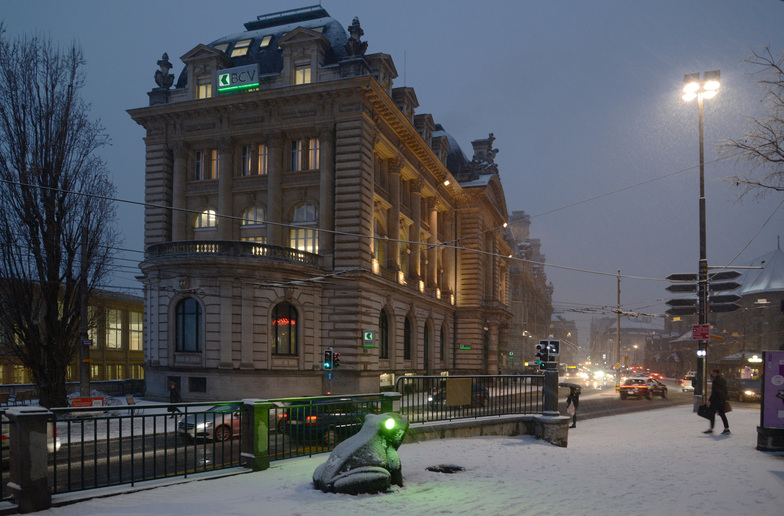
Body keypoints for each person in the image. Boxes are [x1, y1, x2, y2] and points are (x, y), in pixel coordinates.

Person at [704, 368, 730, 435]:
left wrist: (710, 400)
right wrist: (724, 398)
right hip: (721, 399)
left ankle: (711, 428)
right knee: (722, 414)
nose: (711, 374)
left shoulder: (715, 380)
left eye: (712, 372)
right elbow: (725, 390)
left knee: (712, 413)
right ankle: (726, 428)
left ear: (715, 373)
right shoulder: (723, 380)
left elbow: (714, 392)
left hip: (716, 400)